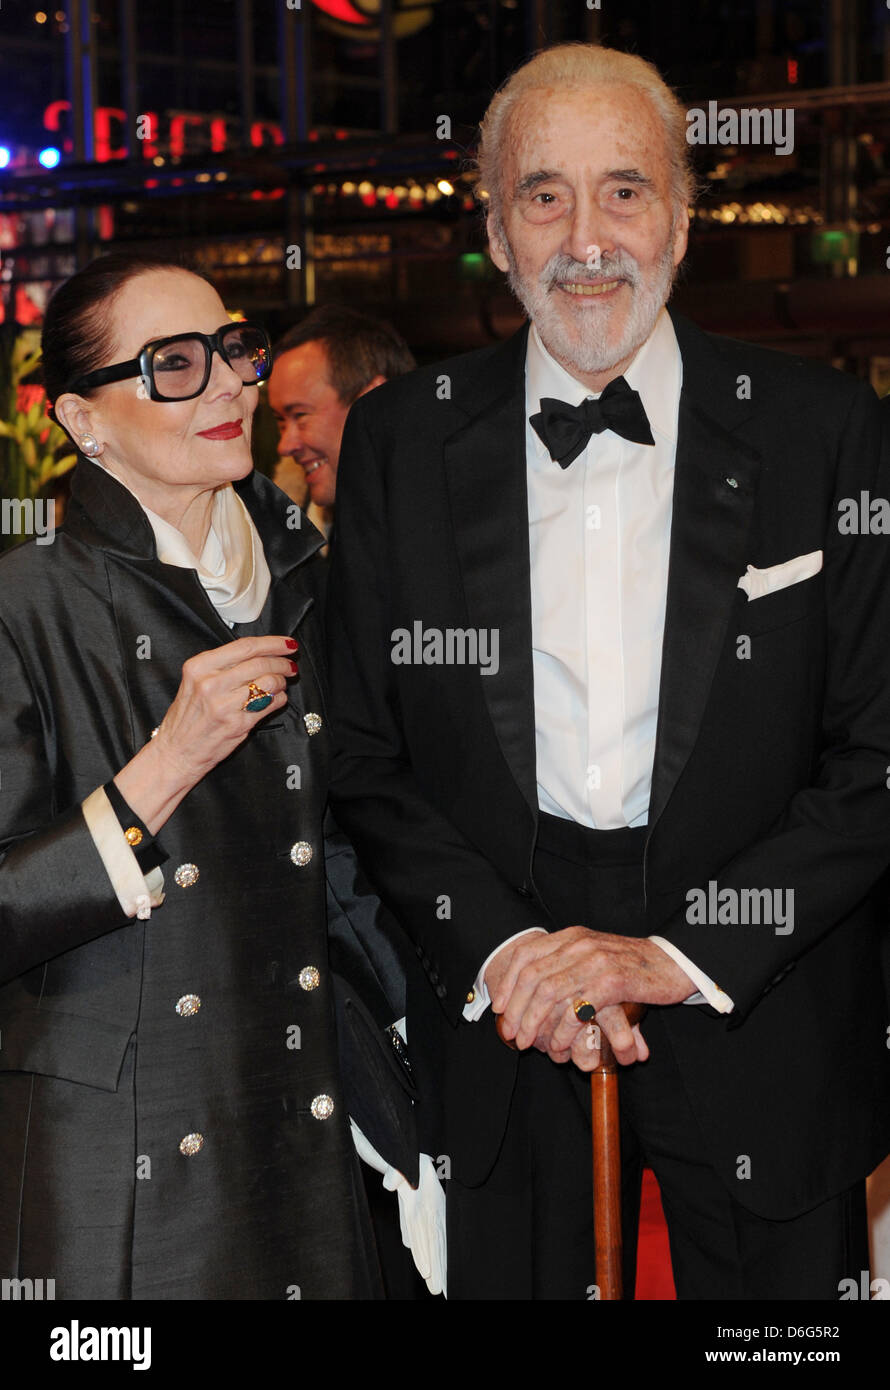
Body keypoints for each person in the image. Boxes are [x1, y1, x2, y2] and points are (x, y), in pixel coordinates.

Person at [326, 42, 890, 1299]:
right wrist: (504, 950)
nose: (586, 237)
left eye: (623, 190)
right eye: (543, 196)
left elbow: (874, 759)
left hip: (759, 980)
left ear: (681, 221)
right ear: (495, 229)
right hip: (503, 991)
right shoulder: (398, 442)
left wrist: (677, 955)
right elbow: (358, 748)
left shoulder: (825, 433)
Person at [0, 251, 382, 1299]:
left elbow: (362, 857)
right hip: (119, 1164)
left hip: (303, 1116)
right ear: (85, 422)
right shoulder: (25, 605)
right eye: (171, 364)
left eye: (231, 349)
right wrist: (162, 767)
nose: (225, 383)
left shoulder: (311, 575)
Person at [268, 304, 416, 516]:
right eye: (281, 421)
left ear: (374, 403)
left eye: (300, 415)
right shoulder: (293, 528)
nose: (284, 446)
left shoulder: (460, 525)